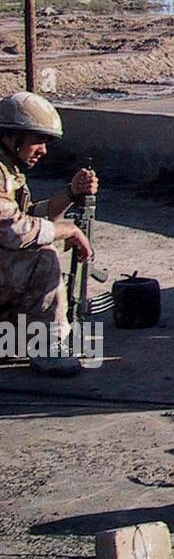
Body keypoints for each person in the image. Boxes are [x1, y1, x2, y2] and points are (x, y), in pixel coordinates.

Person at [0, 91, 98, 377]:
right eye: (37, 140)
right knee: (43, 257)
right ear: (11, 137)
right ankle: (48, 346)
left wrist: (70, 194)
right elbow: (13, 231)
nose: (43, 150)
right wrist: (65, 230)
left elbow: (28, 217)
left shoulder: (9, 171)